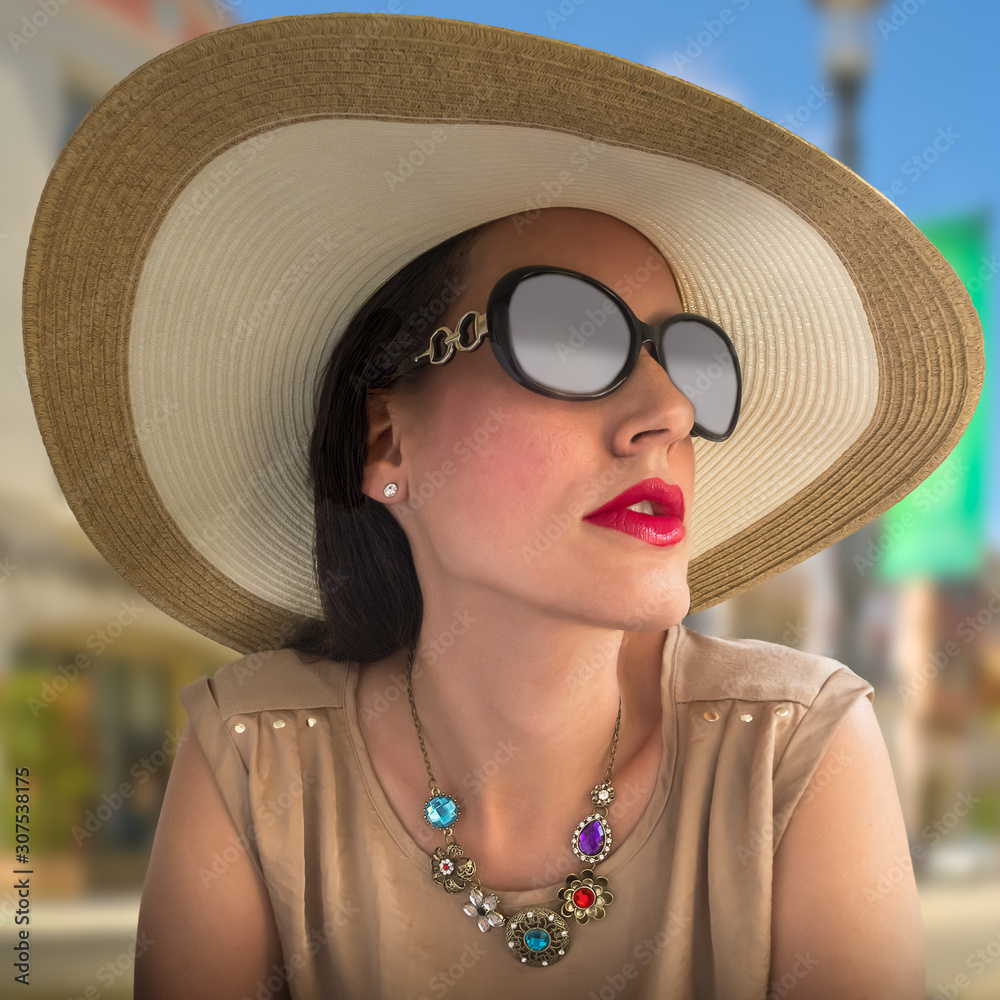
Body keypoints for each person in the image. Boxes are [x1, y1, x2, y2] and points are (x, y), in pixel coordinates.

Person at [21, 12, 982, 1000]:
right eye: (570, 338)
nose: (669, 412)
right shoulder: (253, 755)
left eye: (686, 359)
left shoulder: (792, 747)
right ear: (387, 444)